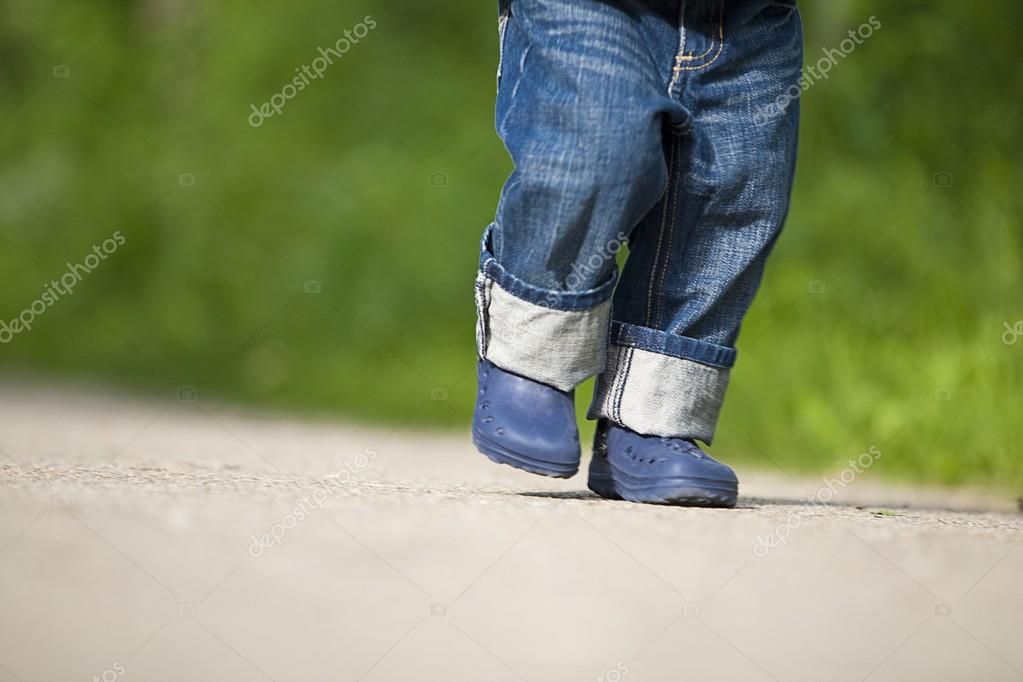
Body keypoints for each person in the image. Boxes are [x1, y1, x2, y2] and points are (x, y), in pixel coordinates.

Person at [472, 0, 802, 507]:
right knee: (598, 144)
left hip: (751, 17)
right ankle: (533, 355)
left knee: (734, 190)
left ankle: (652, 414)